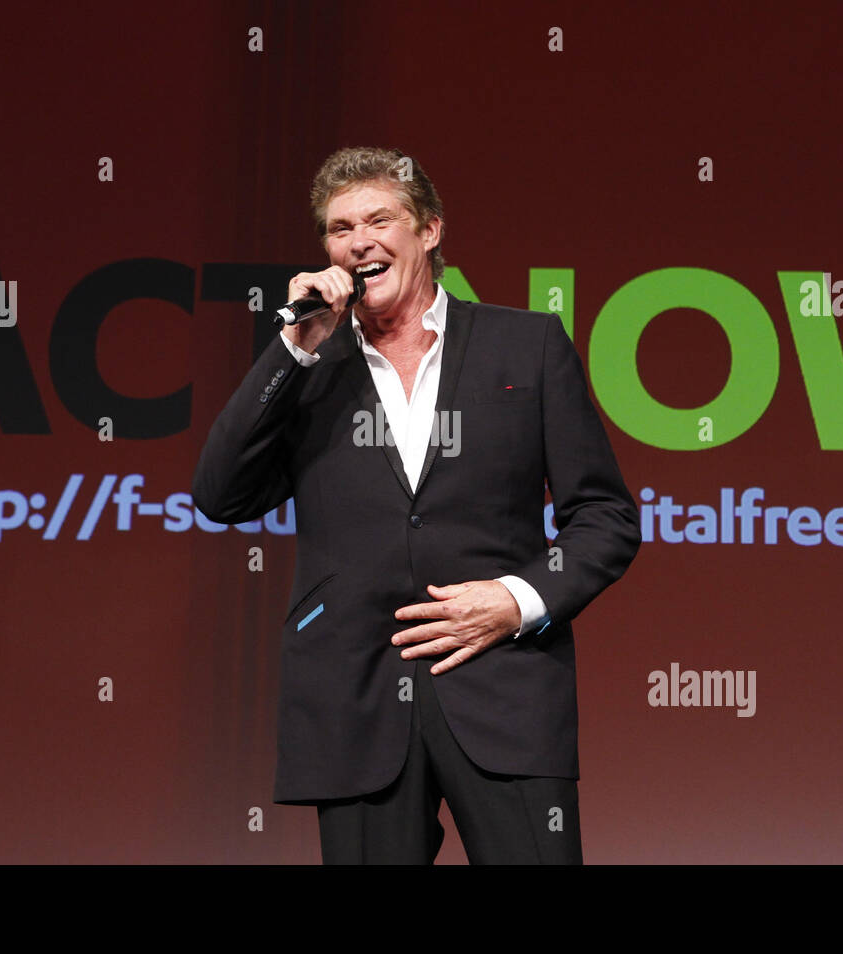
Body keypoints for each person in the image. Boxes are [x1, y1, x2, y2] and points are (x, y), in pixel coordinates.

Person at [192, 146, 641, 864]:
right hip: (354, 697)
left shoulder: (525, 347)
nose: (357, 240)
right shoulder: (311, 367)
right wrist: (293, 347)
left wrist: (516, 599)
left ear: (429, 231)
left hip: (504, 684)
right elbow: (220, 495)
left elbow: (606, 517)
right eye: (340, 229)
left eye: (379, 219)